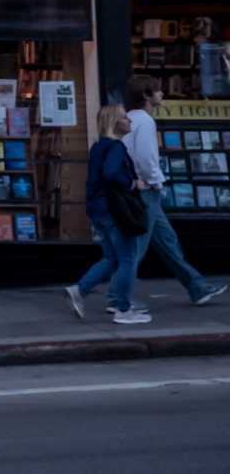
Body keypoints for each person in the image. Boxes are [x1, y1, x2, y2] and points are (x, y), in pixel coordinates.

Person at [122, 75, 227, 308]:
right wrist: (158, 182)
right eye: (158, 91)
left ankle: (197, 287)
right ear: (146, 96)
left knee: (168, 241)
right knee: (136, 248)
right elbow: (147, 158)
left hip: (138, 189)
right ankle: (116, 297)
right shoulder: (147, 122)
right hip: (147, 190)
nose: (162, 95)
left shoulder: (127, 119)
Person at [68, 103, 153, 325]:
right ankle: (123, 310)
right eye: (125, 117)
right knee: (127, 258)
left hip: (98, 210)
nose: (130, 121)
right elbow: (111, 173)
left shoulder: (98, 147)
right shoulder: (116, 147)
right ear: (115, 122)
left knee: (111, 258)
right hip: (114, 210)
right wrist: (134, 183)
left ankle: (80, 289)